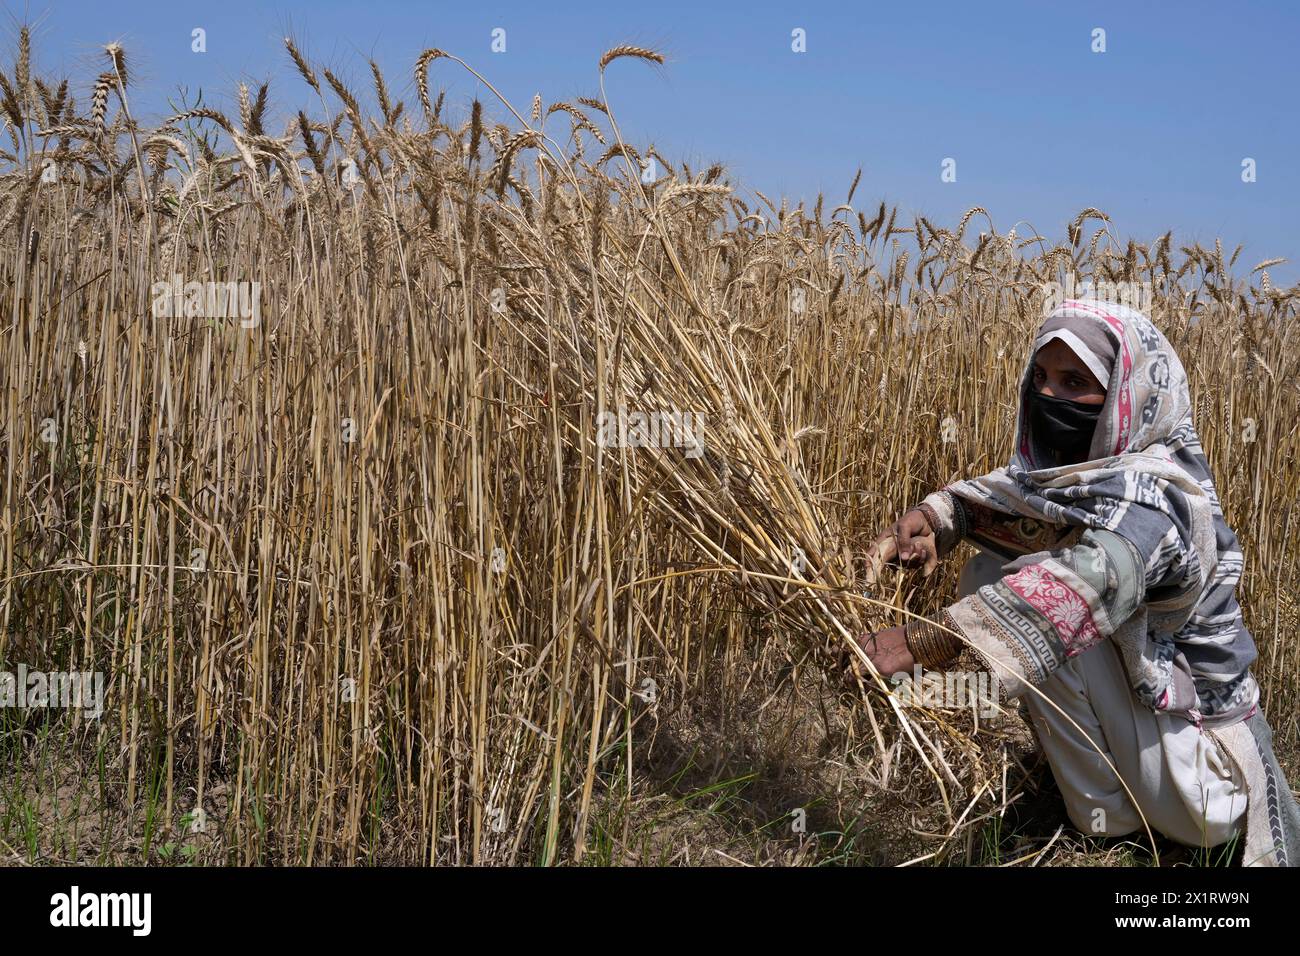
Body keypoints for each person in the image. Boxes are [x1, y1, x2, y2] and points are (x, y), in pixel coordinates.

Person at [852, 298, 1300, 865]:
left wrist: (921, 643)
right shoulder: (1090, 477)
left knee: (1042, 603)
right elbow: (1011, 499)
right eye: (1040, 377)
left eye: (1074, 383)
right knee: (990, 571)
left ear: (1125, 396)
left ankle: (1108, 821)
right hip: (1155, 736)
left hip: (1206, 779)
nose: (1049, 396)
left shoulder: (1161, 500)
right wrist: (940, 522)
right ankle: (1099, 802)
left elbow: (1091, 579)